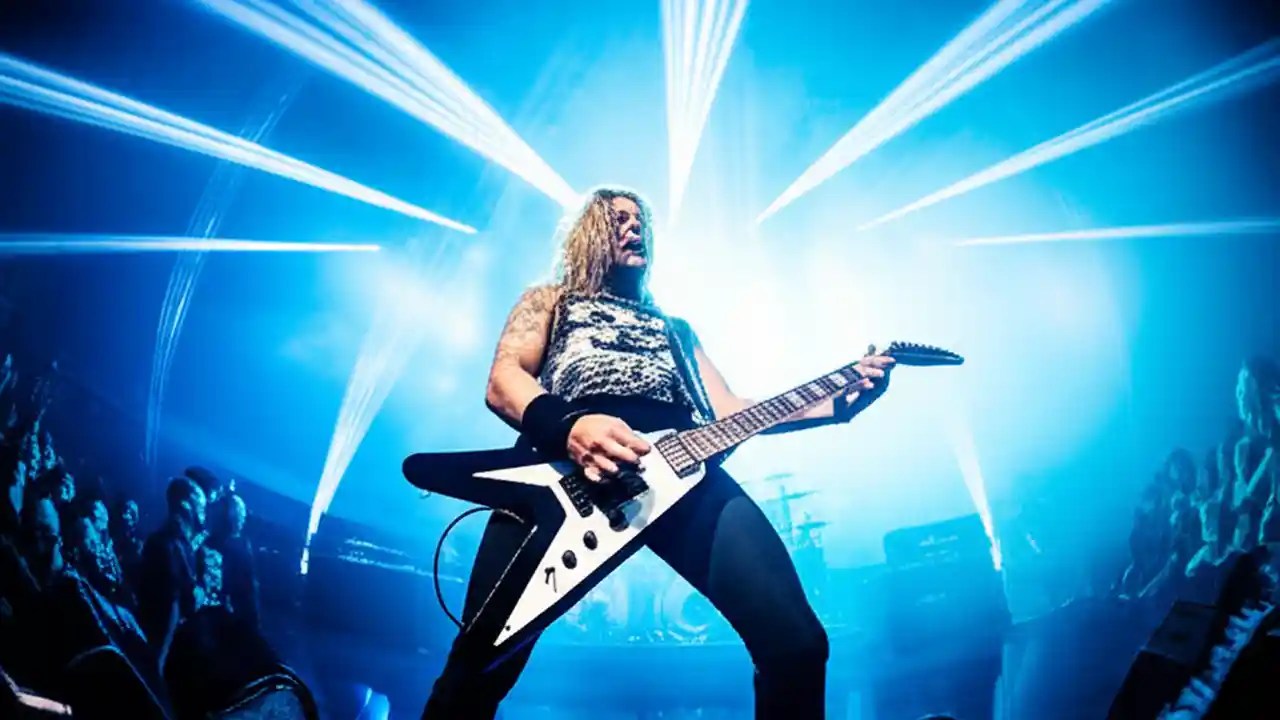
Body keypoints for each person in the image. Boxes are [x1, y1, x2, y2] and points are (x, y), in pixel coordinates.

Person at [419, 186, 895, 719]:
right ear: (589, 236)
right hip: (559, 478)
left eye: (639, 220)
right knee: (477, 667)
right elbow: (505, 379)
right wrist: (571, 428)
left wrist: (835, 404)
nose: (633, 227)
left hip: (680, 469)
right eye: (617, 220)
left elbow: (732, 408)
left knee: (798, 645)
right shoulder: (550, 301)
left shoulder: (677, 329)